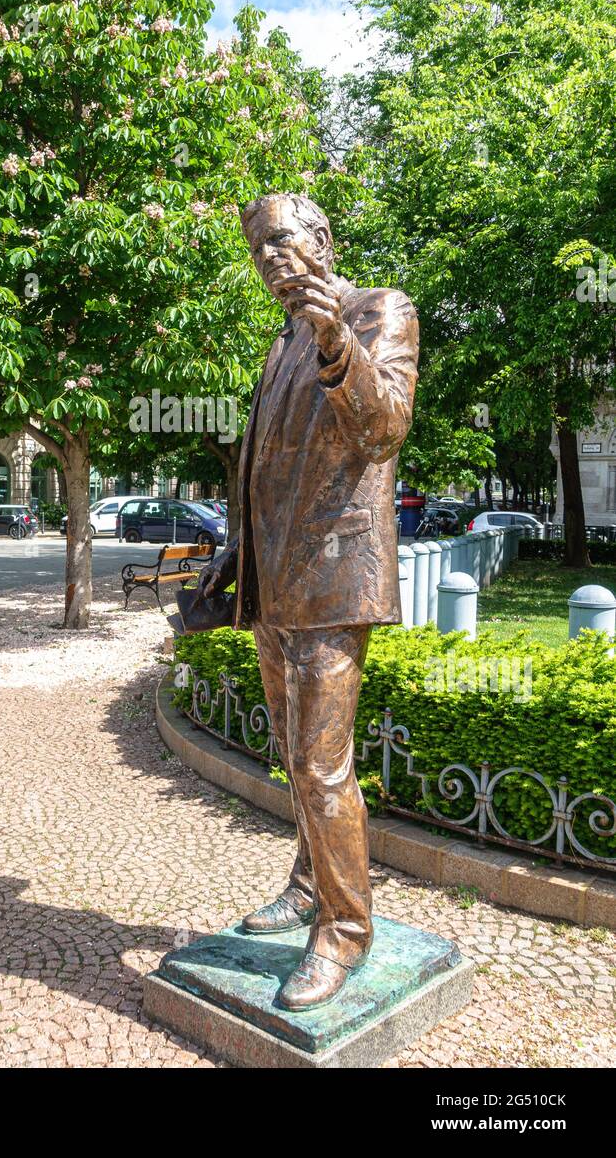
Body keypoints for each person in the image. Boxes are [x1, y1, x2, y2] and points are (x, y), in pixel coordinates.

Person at [199, 192, 419, 1009]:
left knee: (324, 767)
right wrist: (236, 554)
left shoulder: (377, 310)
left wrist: (337, 342)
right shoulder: (281, 341)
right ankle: (306, 884)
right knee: (295, 755)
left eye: (282, 242)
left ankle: (344, 932)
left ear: (323, 240)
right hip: (276, 580)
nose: (271, 260)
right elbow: (269, 468)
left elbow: (384, 429)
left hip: (335, 579)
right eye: (259, 250)